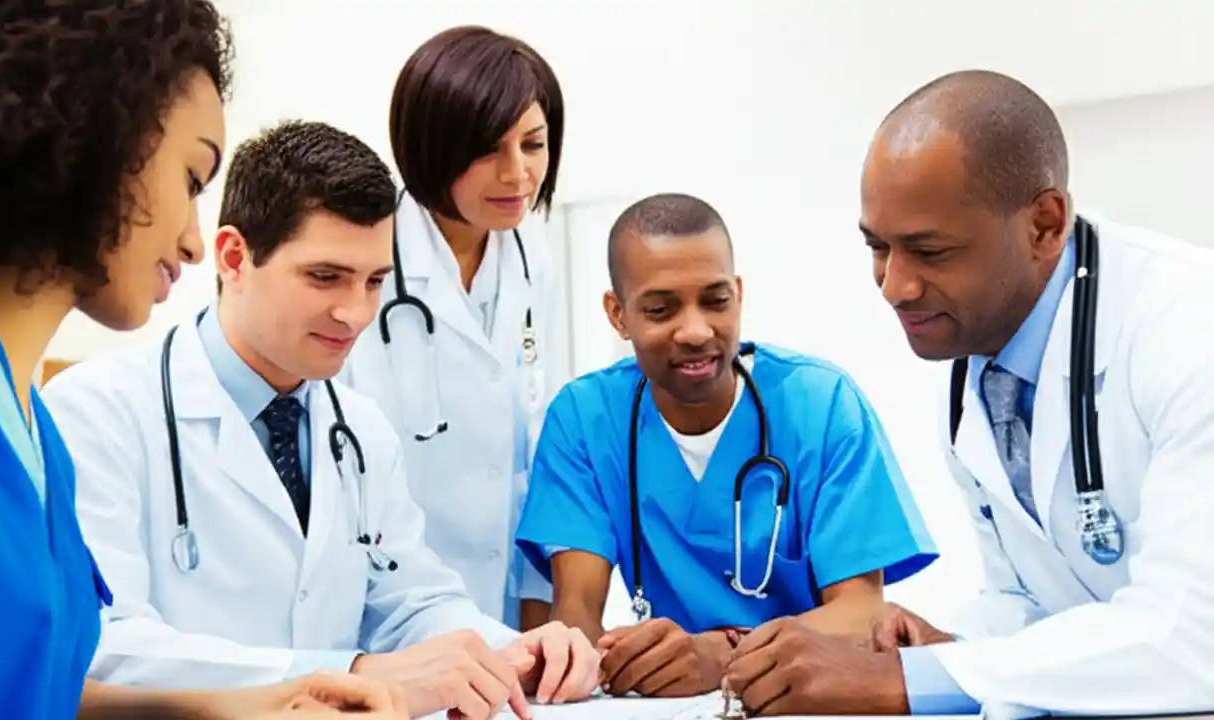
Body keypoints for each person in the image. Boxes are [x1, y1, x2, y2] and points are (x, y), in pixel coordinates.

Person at [0, 1, 408, 718]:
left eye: (374, 282)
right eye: (191, 178)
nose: (191, 241)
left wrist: (235, 706)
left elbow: (35, 689)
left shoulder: (29, 432)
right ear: (89, 135)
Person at [42, 120, 599, 720]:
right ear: (234, 257)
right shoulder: (96, 412)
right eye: (325, 277)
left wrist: (507, 652)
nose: (355, 313)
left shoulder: (361, 429)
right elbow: (103, 645)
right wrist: (341, 675)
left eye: (375, 281)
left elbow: (410, 601)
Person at [724, 70, 1214, 719]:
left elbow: (1193, 637)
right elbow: (1033, 600)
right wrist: (943, 644)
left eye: (929, 251)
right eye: (878, 247)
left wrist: (910, 681)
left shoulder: (1187, 332)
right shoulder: (973, 369)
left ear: (1044, 225)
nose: (894, 287)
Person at [513, 192, 939, 699]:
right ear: (618, 314)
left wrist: (725, 652)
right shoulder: (585, 419)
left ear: (738, 294)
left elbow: (861, 611)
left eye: (716, 302)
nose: (696, 331)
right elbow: (577, 611)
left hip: (806, 696)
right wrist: (597, 658)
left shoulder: (821, 404)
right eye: (660, 309)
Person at [335, 25, 566, 632]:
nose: (518, 174)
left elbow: (539, 443)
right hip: (387, 608)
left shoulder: (532, 258)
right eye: (489, 150)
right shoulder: (369, 260)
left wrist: (541, 603)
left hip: (507, 599)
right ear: (432, 148)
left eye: (533, 144)